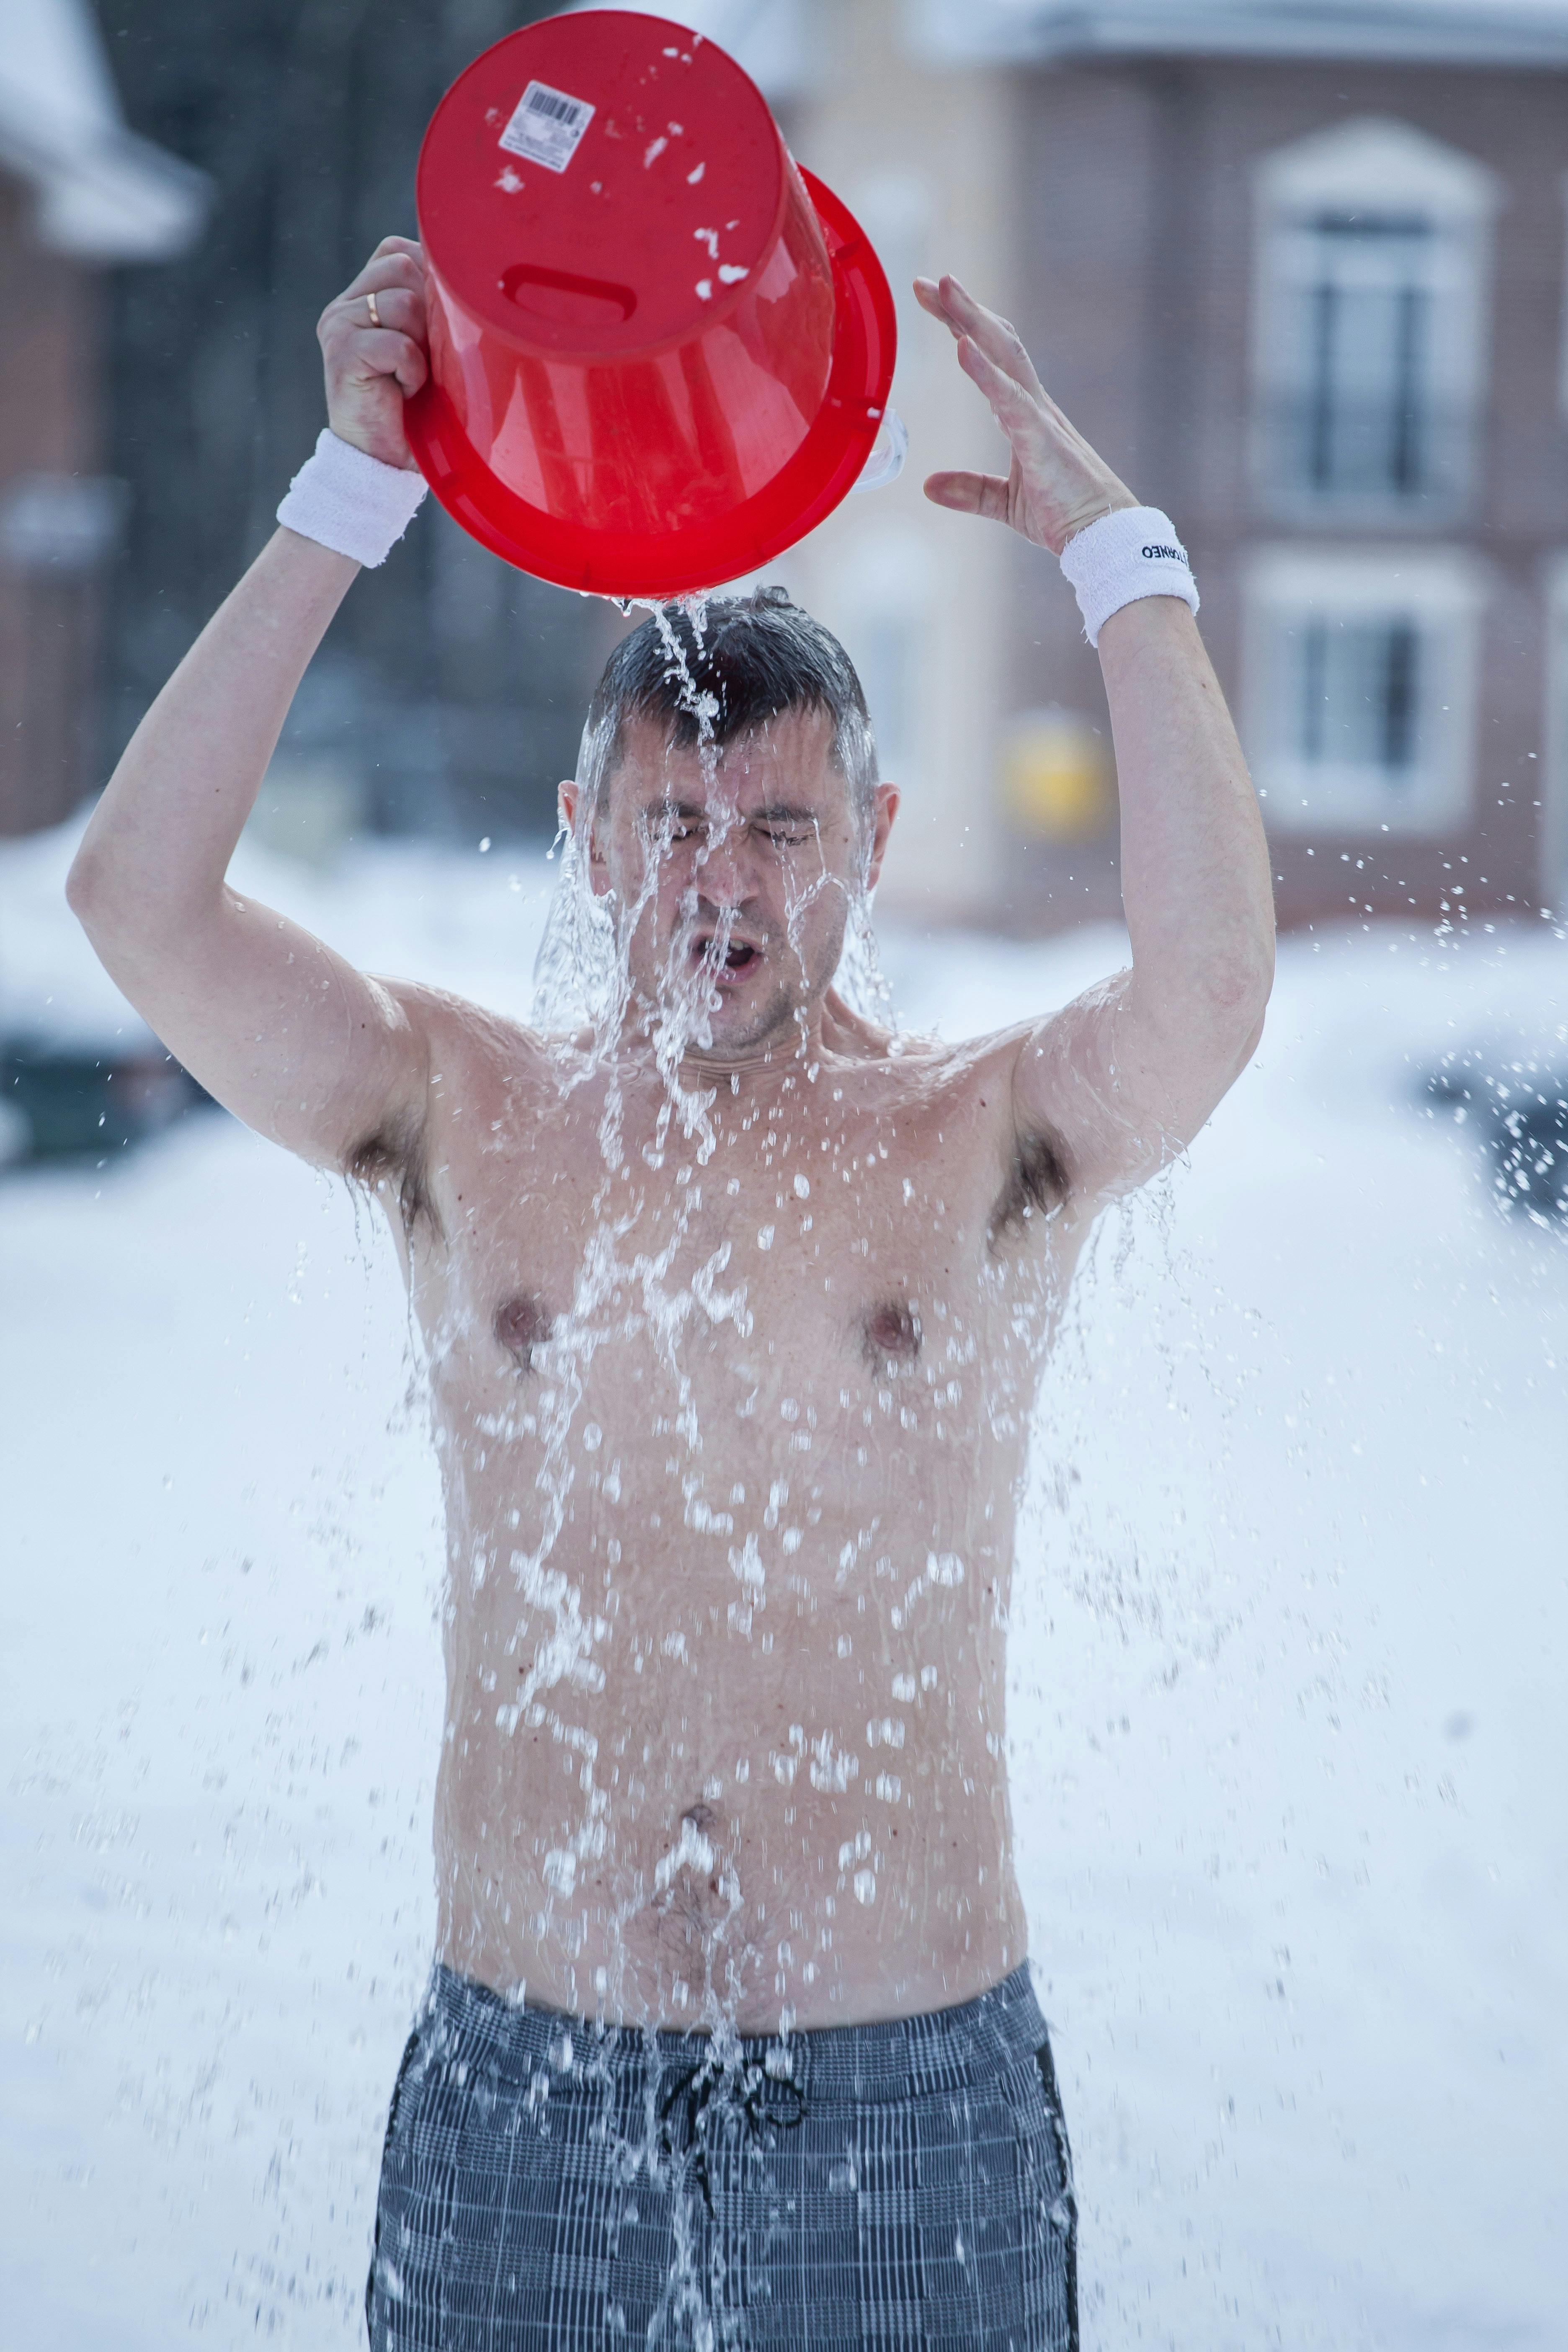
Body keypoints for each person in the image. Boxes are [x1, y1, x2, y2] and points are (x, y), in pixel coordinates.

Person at [67, 234, 1273, 2350]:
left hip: (911, 2083)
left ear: (878, 837)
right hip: (527, 2071)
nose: (725, 878)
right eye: (677, 821)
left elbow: (1210, 991)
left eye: (785, 825)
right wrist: (346, 491)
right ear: (584, 837)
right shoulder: (456, 1106)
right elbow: (137, 901)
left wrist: (1126, 569)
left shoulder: (975, 1137)